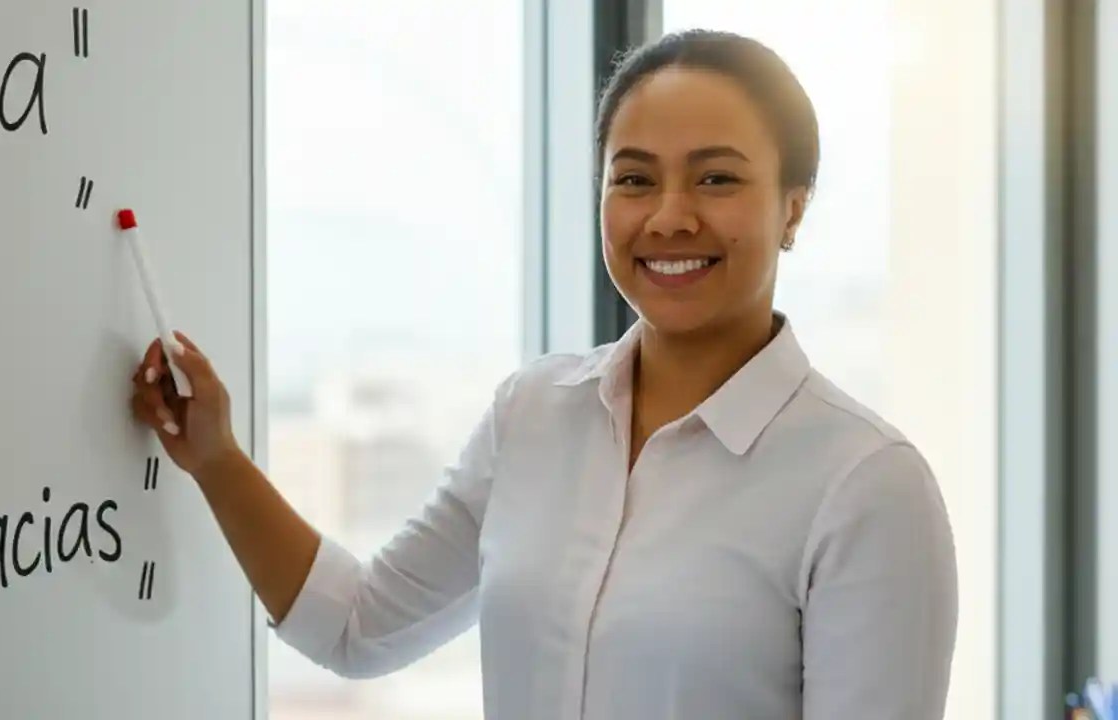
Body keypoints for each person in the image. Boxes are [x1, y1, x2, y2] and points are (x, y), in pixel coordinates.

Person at [130, 28, 958, 719]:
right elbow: (356, 627)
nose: (669, 216)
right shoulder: (532, 415)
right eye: (634, 178)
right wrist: (216, 459)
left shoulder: (866, 486)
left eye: (717, 178)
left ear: (793, 207)